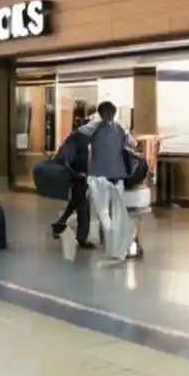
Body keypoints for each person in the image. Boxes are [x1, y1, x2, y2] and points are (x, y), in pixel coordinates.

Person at [76, 101, 140, 262]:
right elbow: (134, 144)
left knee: (104, 212)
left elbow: (79, 133)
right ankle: (115, 246)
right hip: (116, 176)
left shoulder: (95, 127)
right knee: (116, 212)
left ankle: (112, 246)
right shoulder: (120, 129)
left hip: (100, 177)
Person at [51, 124, 95, 248]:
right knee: (83, 207)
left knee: (75, 203)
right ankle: (82, 238)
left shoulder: (76, 138)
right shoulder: (80, 140)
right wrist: (76, 174)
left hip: (78, 177)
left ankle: (59, 225)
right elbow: (65, 159)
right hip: (79, 178)